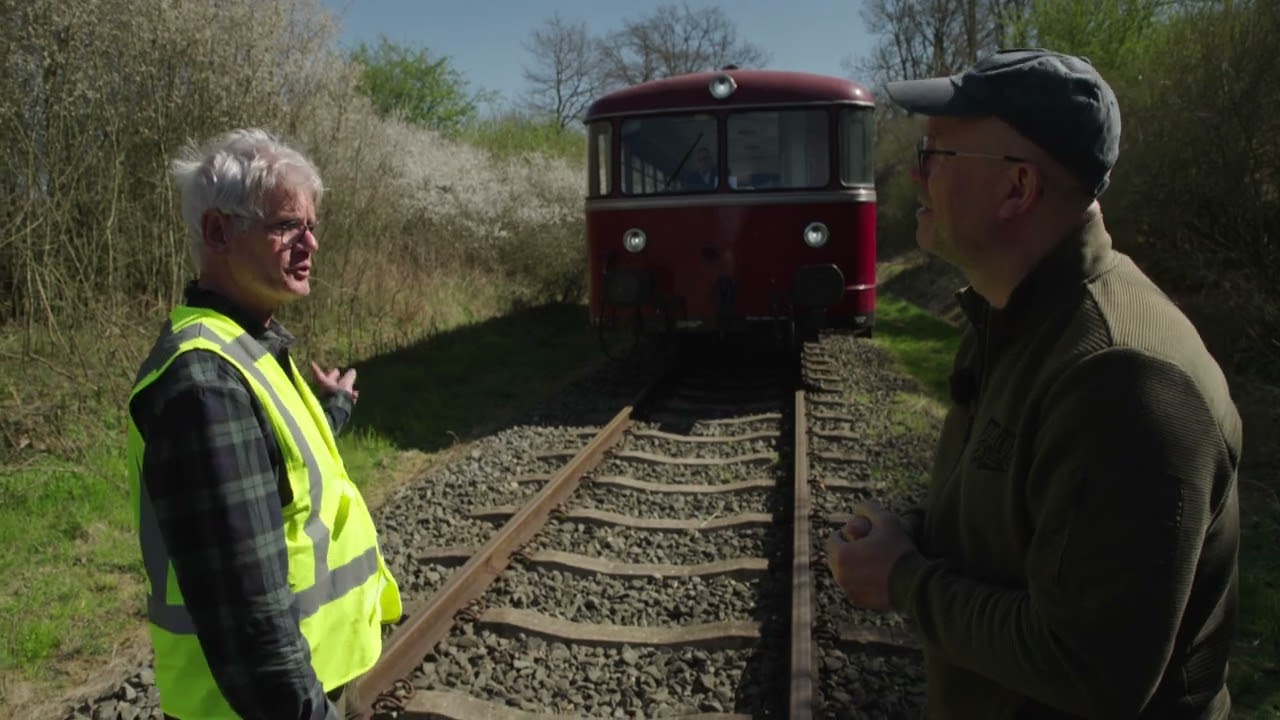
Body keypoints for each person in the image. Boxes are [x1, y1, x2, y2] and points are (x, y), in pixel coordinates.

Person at [825, 49, 1241, 719]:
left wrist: (903, 579)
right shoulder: (1013, 318)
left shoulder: (1122, 379)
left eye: (935, 154)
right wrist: (924, 533)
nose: (913, 173)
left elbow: (1089, 667)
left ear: (1017, 188)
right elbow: (1029, 523)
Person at [126, 128, 403, 720]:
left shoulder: (249, 345)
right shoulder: (205, 383)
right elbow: (252, 624)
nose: (311, 243)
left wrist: (333, 409)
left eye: (312, 226)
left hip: (313, 678)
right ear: (218, 232)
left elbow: (278, 473)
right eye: (286, 226)